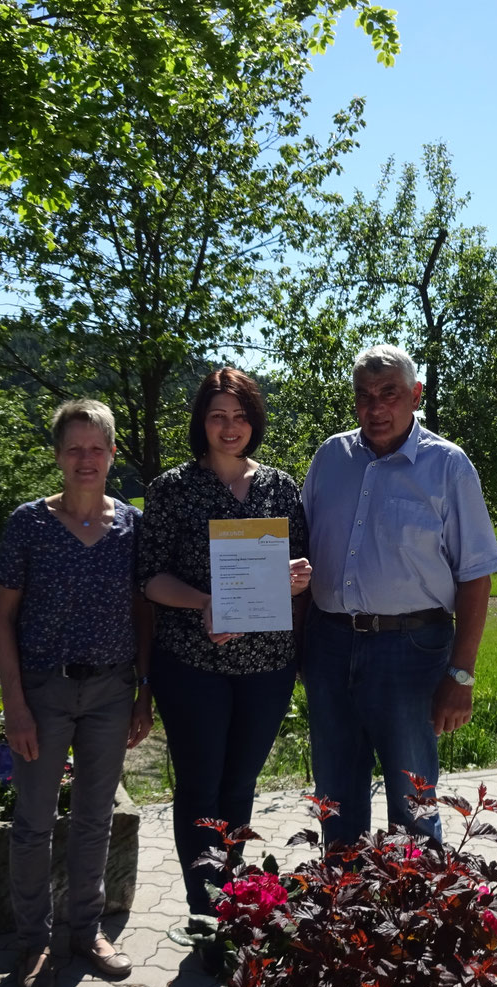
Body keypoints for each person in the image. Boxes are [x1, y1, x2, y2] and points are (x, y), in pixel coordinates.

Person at [301, 344, 497, 847]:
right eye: (364, 396)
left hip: (411, 652)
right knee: (335, 800)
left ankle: (417, 919)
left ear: (416, 395)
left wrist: (462, 672)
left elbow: (476, 573)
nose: (375, 407)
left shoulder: (448, 467)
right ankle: (343, 915)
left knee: (413, 804)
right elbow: (300, 552)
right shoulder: (330, 458)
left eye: (389, 393)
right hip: (327, 646)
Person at [0, 398, 154, 987]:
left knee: (95, 817)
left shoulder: (132, 525)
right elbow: (2, 618)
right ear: (58, 456)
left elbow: (144, 614)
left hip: (113, 689)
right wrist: (15, 704)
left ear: (113, 453)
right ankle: (33, 943)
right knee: (33, 822)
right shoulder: (29, 523)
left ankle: (86, 932)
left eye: (97, 448)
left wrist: (144, 693)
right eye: (73, 448)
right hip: (44, 690)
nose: (86, 459)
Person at [137, 367, 311, 916]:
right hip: (192, 665)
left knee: (239, 787)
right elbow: (151, 578)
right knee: (198, 790)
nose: (229, 427)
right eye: (217, 416)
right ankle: (204, 908)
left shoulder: (281, 486)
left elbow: (298, 568)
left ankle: (235, 902)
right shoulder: (171, 489)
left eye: (239, 416)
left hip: (266, 667)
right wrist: (205, 602)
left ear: (253, 422)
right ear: (202, 423)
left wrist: (297, 576)